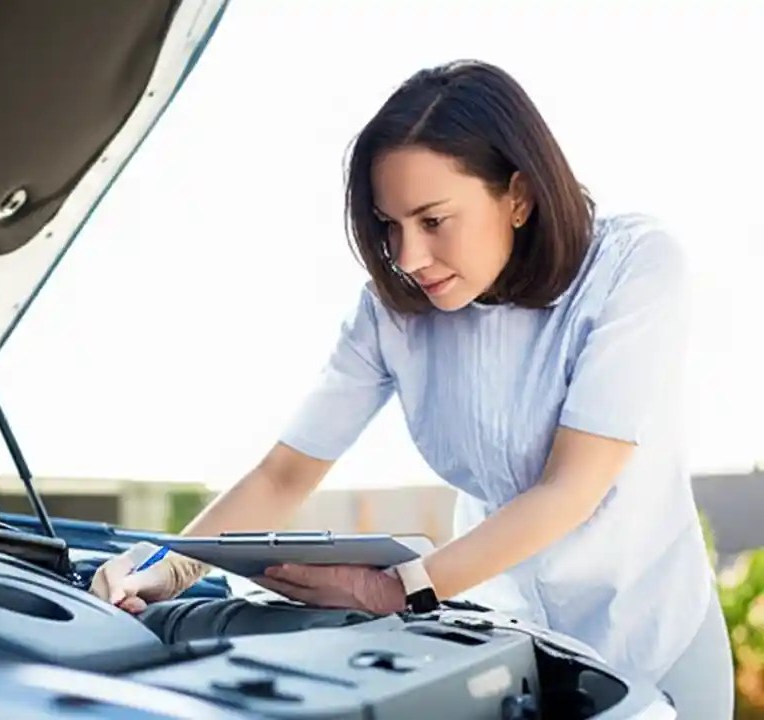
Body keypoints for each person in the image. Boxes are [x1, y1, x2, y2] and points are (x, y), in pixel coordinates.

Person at [88, 59, 734, 717]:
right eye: (389, 226)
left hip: (653, 643)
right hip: (512, 643)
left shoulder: (633, 266)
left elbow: (570, 488)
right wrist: (165, 567)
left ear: (518, 195)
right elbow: (284, 475)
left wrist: (396, 591)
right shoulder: (391, 313)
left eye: (432, 220)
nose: (409, 256)